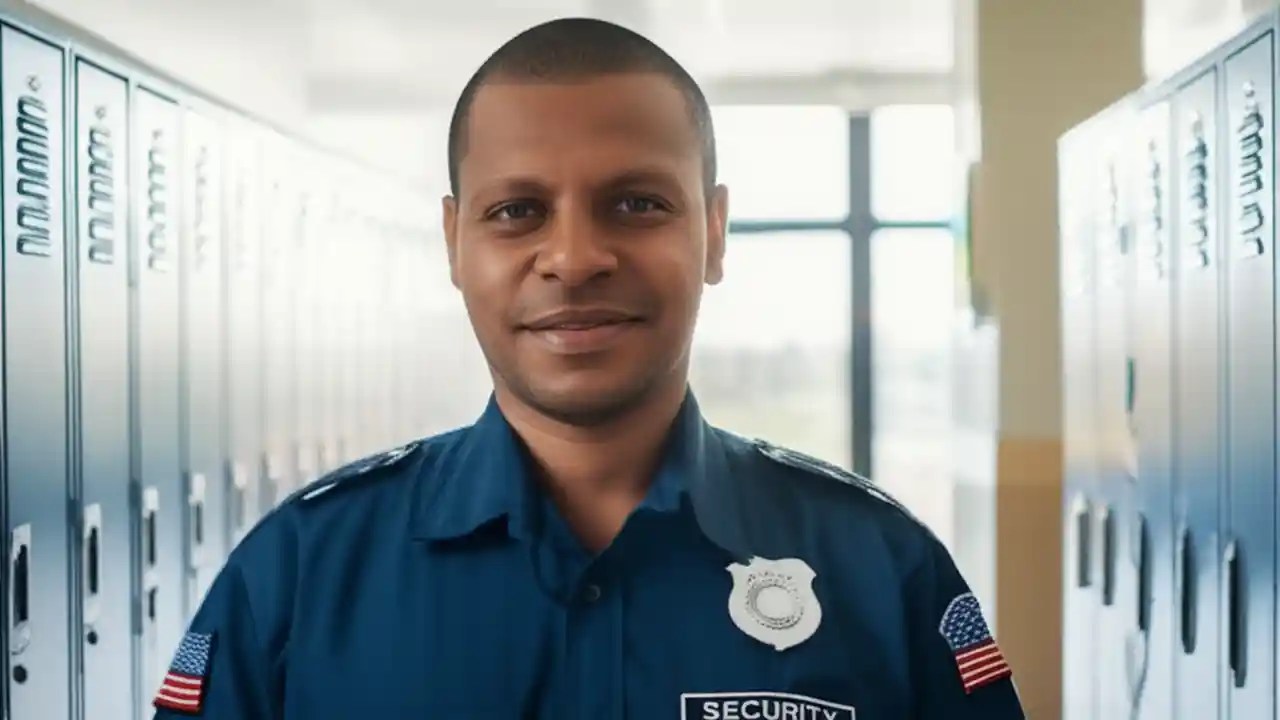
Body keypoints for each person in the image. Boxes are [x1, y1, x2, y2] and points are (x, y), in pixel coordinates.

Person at [153, 16, 1025, 719]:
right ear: (455, 242)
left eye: (637, 203)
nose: (573, 257)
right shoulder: (300, 575)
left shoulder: (882, 568)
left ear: (713, 233)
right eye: (518, 210)